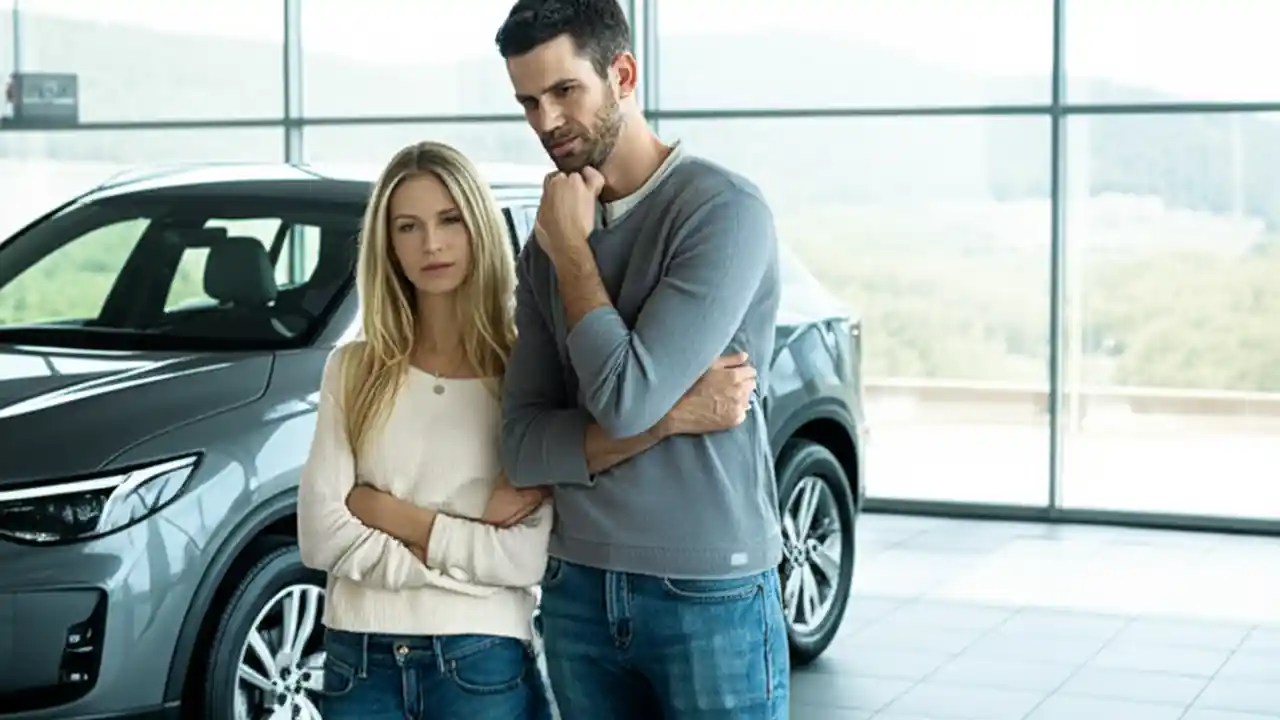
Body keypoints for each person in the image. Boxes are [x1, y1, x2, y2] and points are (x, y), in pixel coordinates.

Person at [494, 1, 791, 718]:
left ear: (621, 74)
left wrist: (572, 254)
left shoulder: (721, 212)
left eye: (566, 92)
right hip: (577, 588)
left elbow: (622, 395)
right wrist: (667, 420)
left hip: (709, 590)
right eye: (529, 102)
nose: (546, 122)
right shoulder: (545, 246)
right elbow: (524, 444)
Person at [295, 140, 557, 719]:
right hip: (356, 661)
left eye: (449, 220)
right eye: (408, 227)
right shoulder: (353, 368)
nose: (430, 244)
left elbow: (524, 558)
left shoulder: (525, 374)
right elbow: (320, 536)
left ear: (479, 228)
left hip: (483, 660)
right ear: (387, 244)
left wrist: (393, 514)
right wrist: (458, 572)